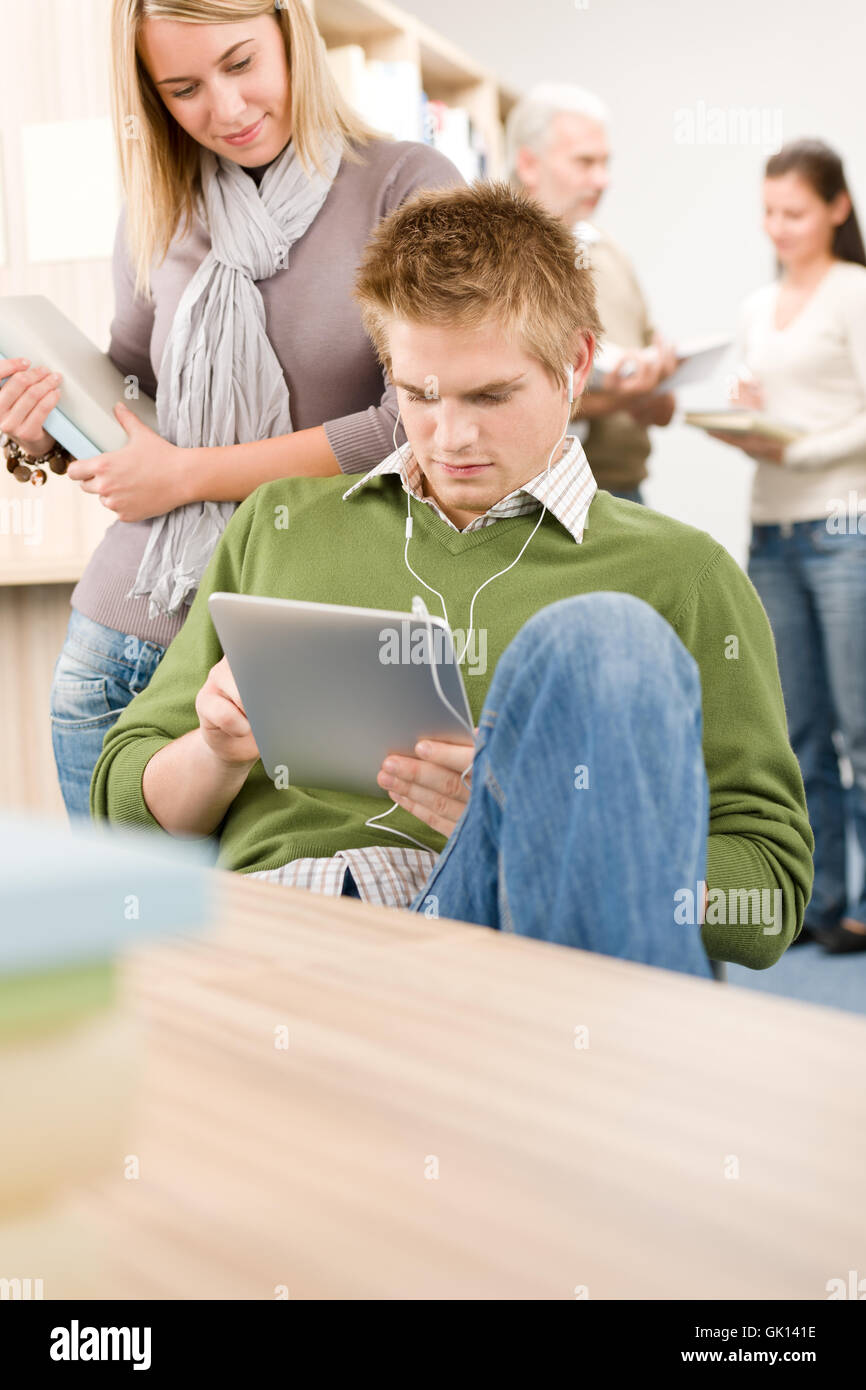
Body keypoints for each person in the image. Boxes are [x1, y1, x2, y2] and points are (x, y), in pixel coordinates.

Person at [91, 182, 813, 976]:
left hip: (496, 935)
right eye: (418, 395)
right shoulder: (280, 522)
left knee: (601, 637)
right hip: (276, 936)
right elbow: (127, 804)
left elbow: (768, 900)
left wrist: (537, 827)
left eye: (492, 395)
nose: (452, 435)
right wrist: (218, 752)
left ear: (574, 365)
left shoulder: (683, 573)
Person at [0, 0, 461, 819]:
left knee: (287, 932)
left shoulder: (408, 186)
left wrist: (185, 476)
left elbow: (411, 426)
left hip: (300, 645)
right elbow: (136, 394)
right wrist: (48, 430)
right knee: (131, 940)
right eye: (182, 88)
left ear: (292, 34)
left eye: (241, 63)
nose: (225, 109)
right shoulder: (161, 208)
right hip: (123, 643)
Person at [707, 139, 866, 955]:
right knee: (796, 729)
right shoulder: (754, 307)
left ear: (837, 208)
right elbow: (765, 411)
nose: (780, 228)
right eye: (769, 213)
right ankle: (824, 900)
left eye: (795, 212)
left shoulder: (854, 293)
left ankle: (865, 899)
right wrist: (744, 417)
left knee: (859, 730)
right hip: (772, 534)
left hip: (846, 534)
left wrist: (797, 449)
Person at [506, 82, 677, 503]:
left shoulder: (610, 254)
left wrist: (654, 393)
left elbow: (662, 404)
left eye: (605, 163)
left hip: (624, 493)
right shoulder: (493, 261)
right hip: (538, 498)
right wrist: (615, 400)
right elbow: (501, 401)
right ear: (529, 164)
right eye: (584, 162)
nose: (602, 179)